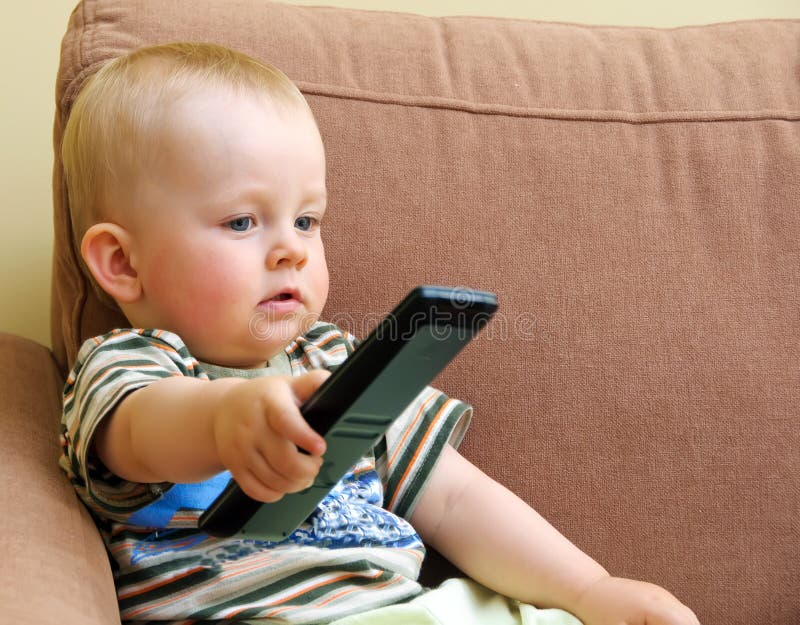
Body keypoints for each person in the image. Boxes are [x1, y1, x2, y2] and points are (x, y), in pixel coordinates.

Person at [59, 42, 699, 625]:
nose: (292, 251)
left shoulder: (339, 359)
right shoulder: (129, 365)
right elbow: (140, 431)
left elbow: (454, 499)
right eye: (241, 221)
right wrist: (227, 419)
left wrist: (590, 590)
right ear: (122, 263)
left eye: (307, 220)